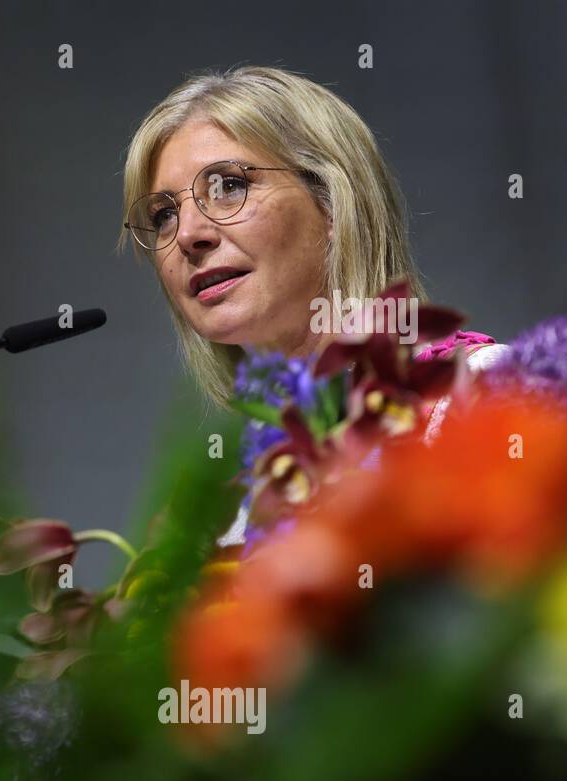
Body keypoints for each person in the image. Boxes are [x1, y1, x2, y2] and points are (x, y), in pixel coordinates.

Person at [117, 66, 506, 546]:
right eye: (163, 215)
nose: (190, 235)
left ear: (332, 204)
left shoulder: (486, 394)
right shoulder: (223, 507)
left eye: (229, 187)